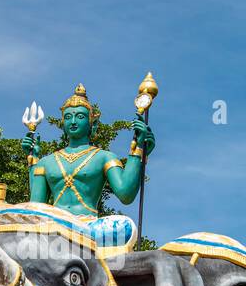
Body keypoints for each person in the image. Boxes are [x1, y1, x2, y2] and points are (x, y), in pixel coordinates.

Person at [20, 84, 154, 249]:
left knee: (123, 226)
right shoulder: (47, 162)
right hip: (54, 227)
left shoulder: (104, 157)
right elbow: (36, 208)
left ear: (93, 123)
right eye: (68, 117)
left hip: (88, 228)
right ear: (62, 122)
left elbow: (126, 194)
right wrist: (33, 160)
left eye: (80, 117)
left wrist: (138, 150)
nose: (73, 121)